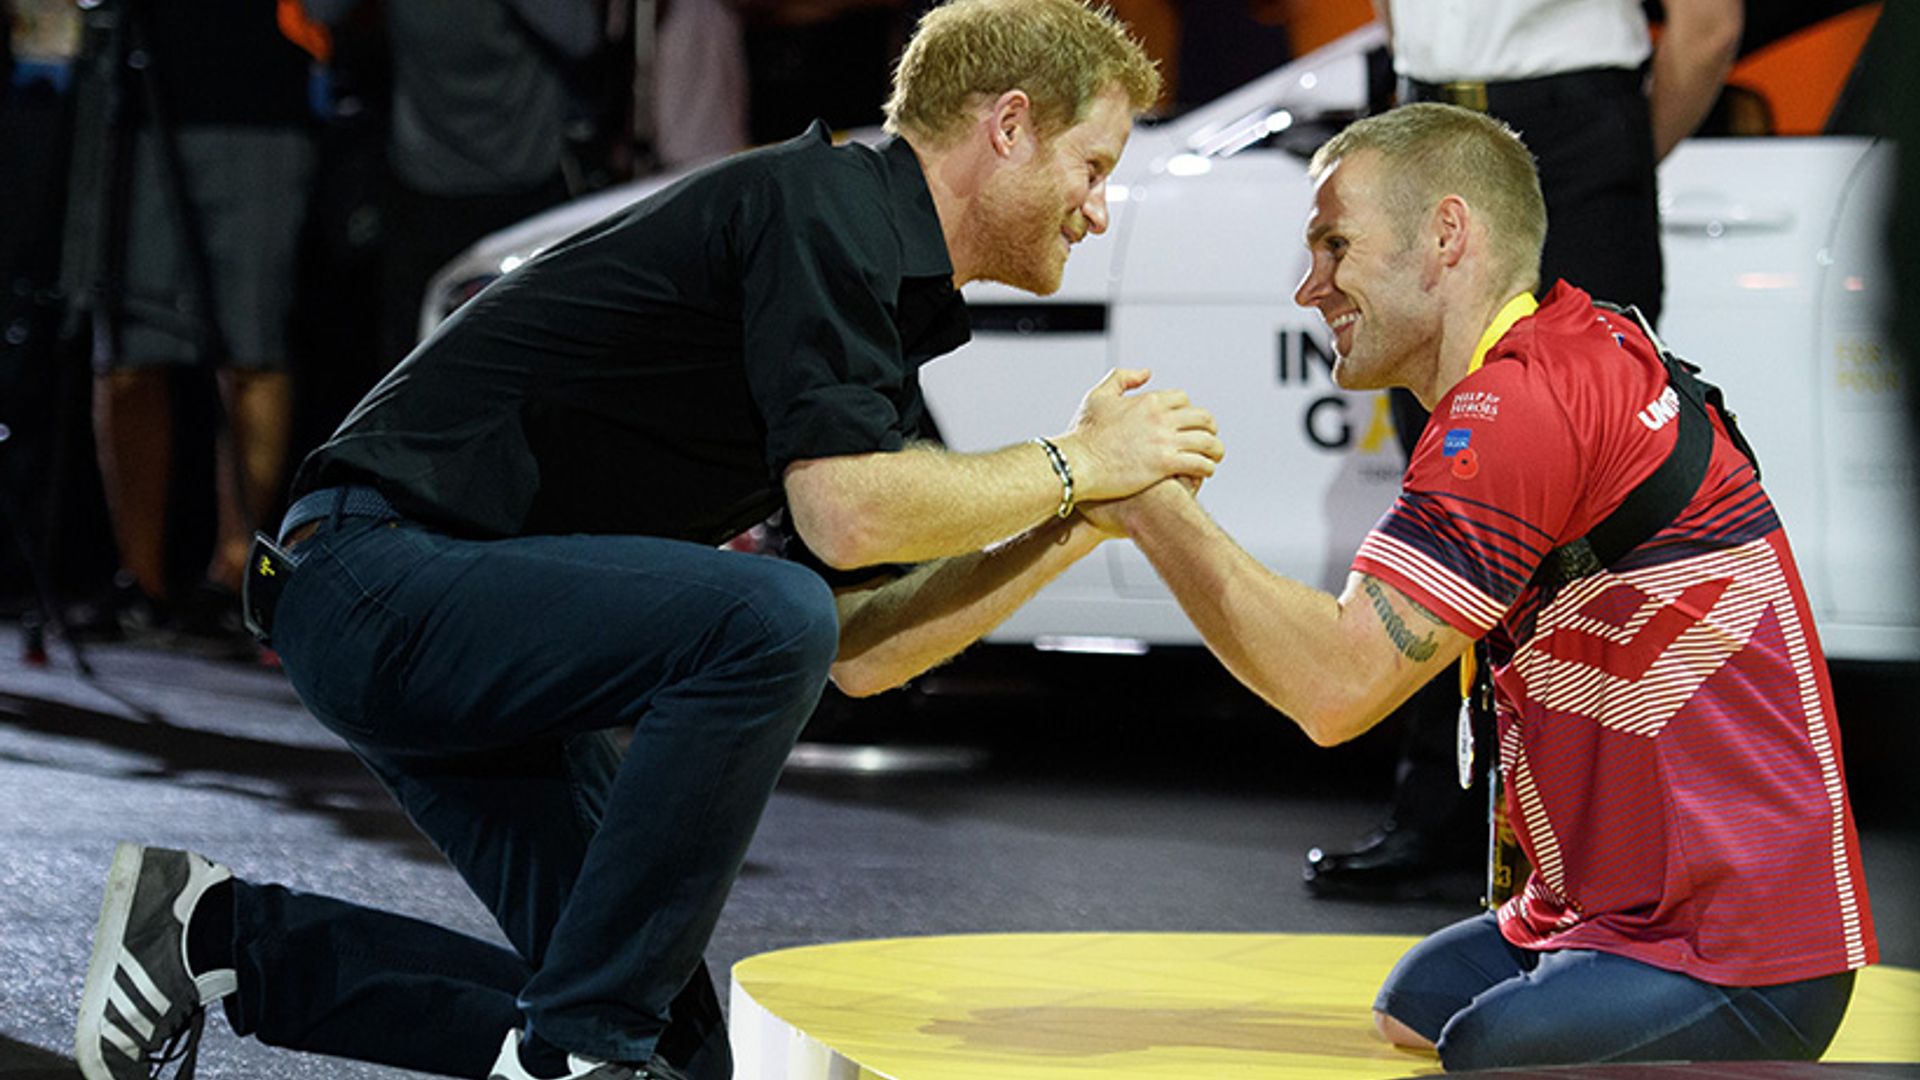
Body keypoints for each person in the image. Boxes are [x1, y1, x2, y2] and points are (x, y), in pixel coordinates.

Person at [72, 2, 1216, 1079]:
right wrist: (1074, 462)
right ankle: (580, 1049)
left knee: (677, 1051)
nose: (1099, 207)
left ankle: (214, 932)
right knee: (764, 620)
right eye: (1094, 166)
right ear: (1008, 126)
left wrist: (1075, 521)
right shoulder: (826, 209)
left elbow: (864, 651)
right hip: (374, 578)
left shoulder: (871, 301)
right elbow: (843, 523)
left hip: (458, 603)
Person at [1085, 103, 1874, 1068]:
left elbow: (1335, 690)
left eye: (1336, 246)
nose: (1308, 288)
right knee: (1412, 1006)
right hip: (1604, 913)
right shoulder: (1576, 344)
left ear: (1447, 235)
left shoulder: (1514, 408)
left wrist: (1145, 500)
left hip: (1737, 954)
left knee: (1483, 1049)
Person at [1304, 0, 1744, 898]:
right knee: (1449, 478)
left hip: (1573, 135)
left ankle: (1598, 819)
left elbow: (1708, 26)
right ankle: (1443, 809)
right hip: (1424, 121)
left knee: (1586, 489)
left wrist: (1612, 159)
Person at [87, 0, 317, 644]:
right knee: (127, 354)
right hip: (132, 109)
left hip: (258, 105)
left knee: (252, 347)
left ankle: (234, 572)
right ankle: (140, 579)